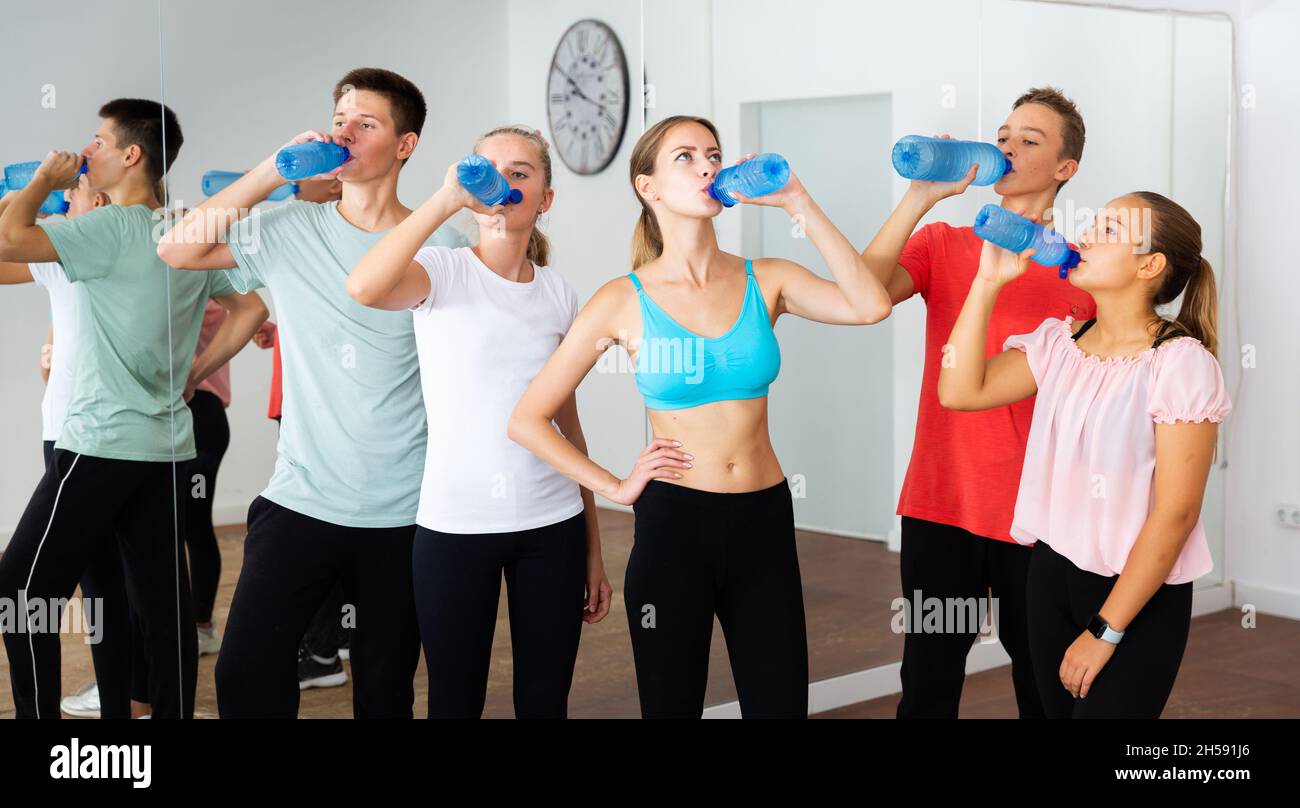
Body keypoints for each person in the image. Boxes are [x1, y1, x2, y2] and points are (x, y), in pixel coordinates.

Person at [508, 115, 892, 718]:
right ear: (648, 186)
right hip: (673, 527)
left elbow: (871, 306)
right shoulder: (621, 299)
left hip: (762, 517)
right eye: (684, 157)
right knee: (671, 705)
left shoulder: (767, 278)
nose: (708, 165)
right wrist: (614, 487)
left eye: (712, 153)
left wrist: (798, 201)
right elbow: (528, 418)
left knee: (779, 703)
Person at [158, 67, 468, 718]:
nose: (345, 133)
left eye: (366, 123)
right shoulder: (287, 230)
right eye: (338, 122)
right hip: (301, 499)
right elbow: (176, 250)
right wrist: (271, 170)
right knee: (244, 674)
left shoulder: (446, 245)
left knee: (386, 690)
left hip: (406, 511)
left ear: (404, 146)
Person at [0, 98, 267, 718]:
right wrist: (190, 375)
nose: (86, 150)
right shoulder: (182, 232)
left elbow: (8, 238)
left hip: (99, 443)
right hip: (164, 447)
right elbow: (252, 309)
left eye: (97, 140)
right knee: (161, 604)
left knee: (19, 588)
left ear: (131, 154)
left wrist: (44, 178)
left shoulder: (109, 227)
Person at [349, 125, 611, 717]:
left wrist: (593, 549)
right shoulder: (440, 271)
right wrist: (445, 199)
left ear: (544, 199)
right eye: (488, 170)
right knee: (454, 698)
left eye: (520, 173)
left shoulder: (560, 294)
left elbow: (569, 427)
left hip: (554, 526)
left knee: (546, 698)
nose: (503, 184)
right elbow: (364, 286)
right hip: (454, 526)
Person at [937, 191, 1229, 718]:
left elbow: (1177, 513)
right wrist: (986, 283)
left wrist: (1106, 629)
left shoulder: (1180, 364)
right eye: (1095, 223)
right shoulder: (1058, 344)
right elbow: (960, 390)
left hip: (1136, 594)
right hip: (1049, 576)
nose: (1087, 235)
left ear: (1150, 265)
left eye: (1111, 229)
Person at [857, 87, 1097, 718]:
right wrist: (917, 198)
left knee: (1043, 685)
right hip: (943, 502)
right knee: (929, 678)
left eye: (1030, 140)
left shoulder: (1084, 273)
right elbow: (866, 295)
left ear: (1066, 168)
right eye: (1003, 135)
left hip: (1037, 516)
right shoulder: (944, 244)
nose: (1007, 148)